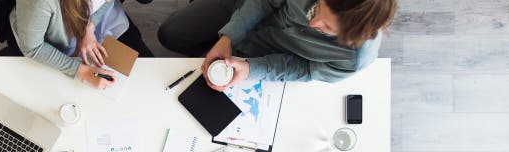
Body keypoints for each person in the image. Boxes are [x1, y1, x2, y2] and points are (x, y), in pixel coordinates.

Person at [158, 0, 397, 88]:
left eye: (327, 29)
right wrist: (227, 37)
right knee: (168, 36)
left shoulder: (354, 60)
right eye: (317, 10)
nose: (313, 23)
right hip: (242, 8)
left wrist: (251, 69)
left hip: (266, 52)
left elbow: (303, 68)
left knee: (198, 79)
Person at [8, 0, 154, 90]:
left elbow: (106, 2)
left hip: (98, 20)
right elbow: (33, 47)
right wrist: (82, 71)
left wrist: (88, 27)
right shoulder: (38, 3)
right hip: (51, 34)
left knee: (146, 74)